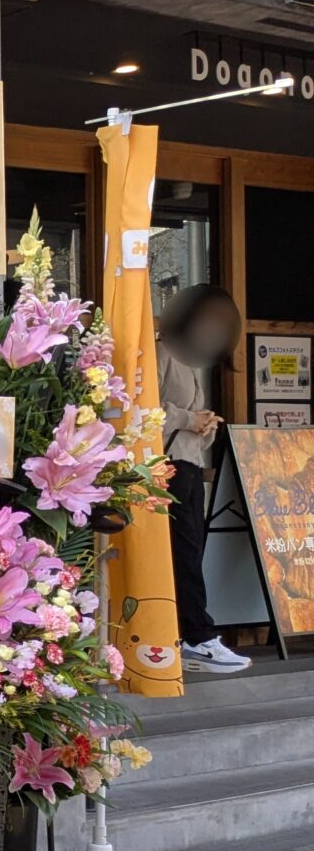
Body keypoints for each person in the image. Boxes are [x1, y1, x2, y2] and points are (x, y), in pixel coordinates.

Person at [158, 284, 251, 673]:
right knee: (183, 551)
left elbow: (189, 417)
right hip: (166, 465)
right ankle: (197, 635)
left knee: (191, 551)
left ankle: (190, 634)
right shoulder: (162, 349)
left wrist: (205, 424)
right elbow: (141, 406)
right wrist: (188, 419)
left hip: (191, 463)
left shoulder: (193, 360)